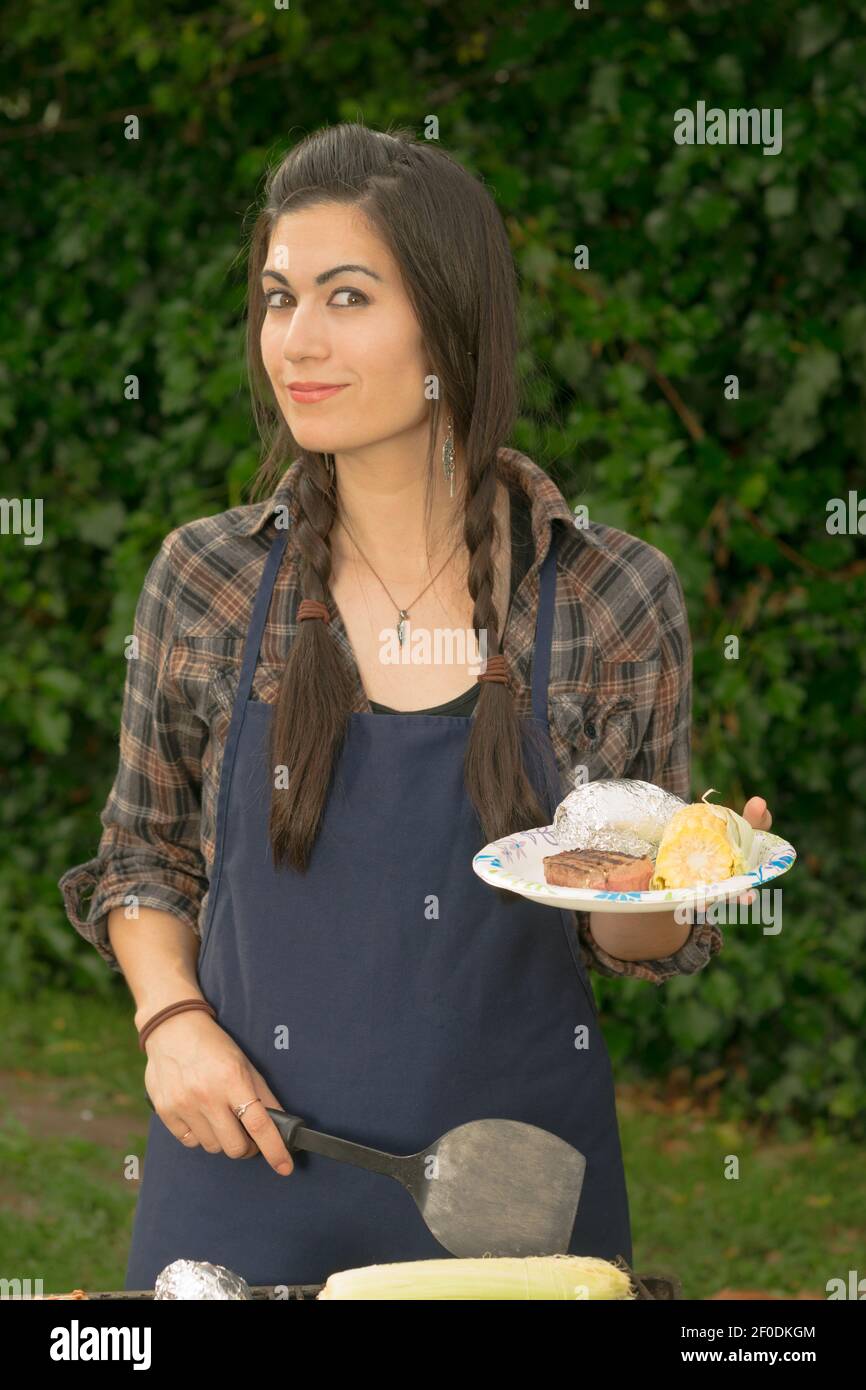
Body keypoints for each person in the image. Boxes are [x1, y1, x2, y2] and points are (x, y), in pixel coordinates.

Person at [58, 123, 772, 1290]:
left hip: (513, 1204)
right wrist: (168, 1020)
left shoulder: (606, 592)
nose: (296, 340)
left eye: (346, 296)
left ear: (449, 320)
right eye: (278, 298)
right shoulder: (209, 577)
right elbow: (141, 854)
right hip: (243, 1172)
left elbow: (626, 940)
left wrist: (671, 885)